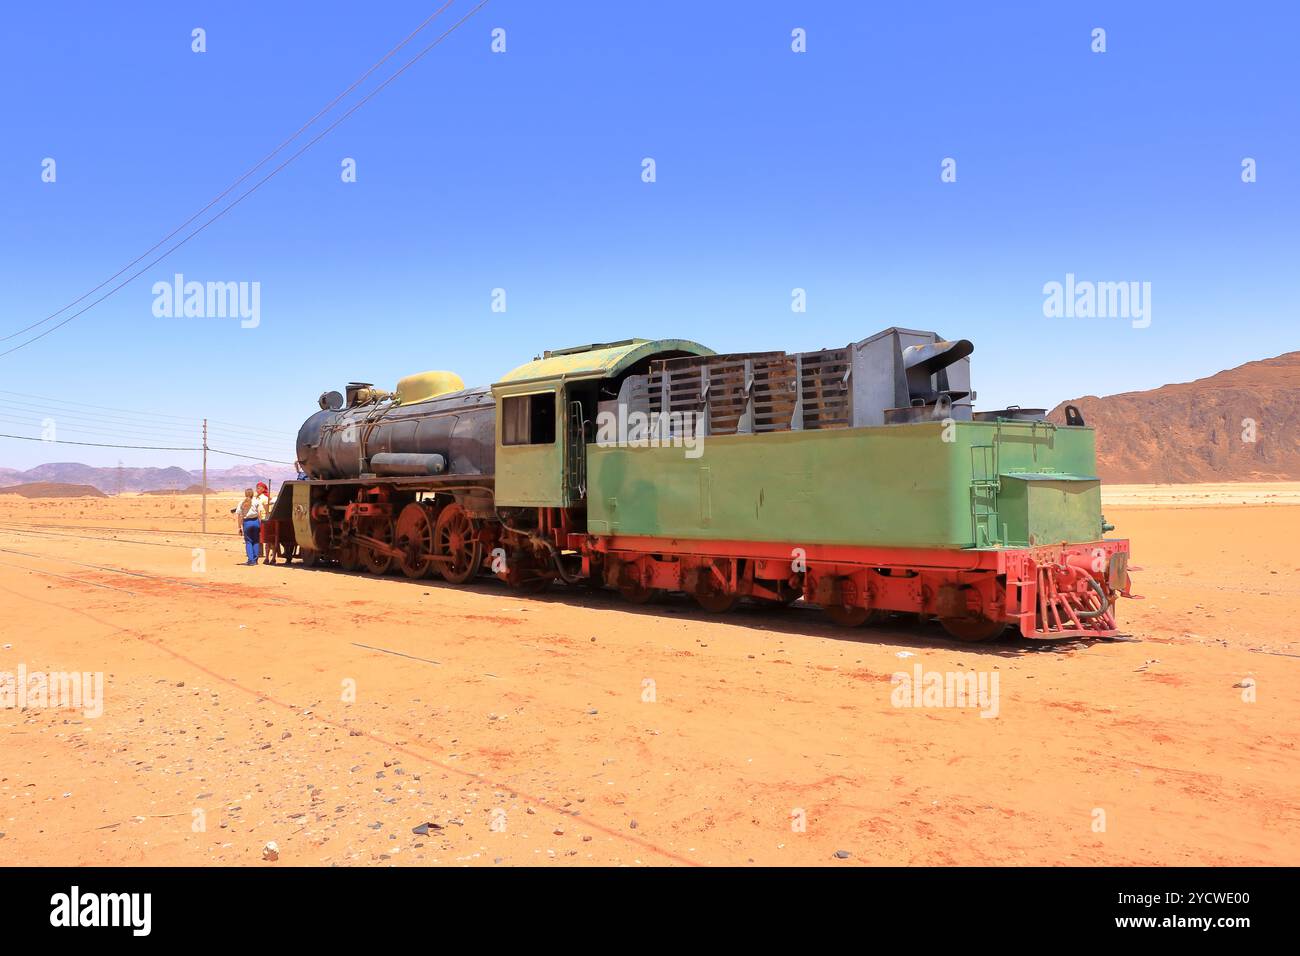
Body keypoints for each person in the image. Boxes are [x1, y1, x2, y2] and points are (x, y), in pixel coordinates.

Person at [236, 487, 260, 566]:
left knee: (249, 541)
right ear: (253, 494)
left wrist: (239, 527)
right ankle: (255, 560)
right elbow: (259, 513)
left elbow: (239, 516)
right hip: (256, 522)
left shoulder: (241, 503)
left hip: (247, 523)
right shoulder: (256, 502)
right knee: (256, 541)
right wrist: (259, 523)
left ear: (245, 494)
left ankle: (251, 560)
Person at [255, 482, 278, 564]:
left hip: (266, 521)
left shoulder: (265, 498)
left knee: (270, 540)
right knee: (266, 540)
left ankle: (273, 557)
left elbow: (268, 511)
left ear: (263, 489)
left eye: (259, 488)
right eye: (257, 488)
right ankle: (267, 558)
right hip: (260, 521)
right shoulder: (257, 498)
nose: (257, 489)